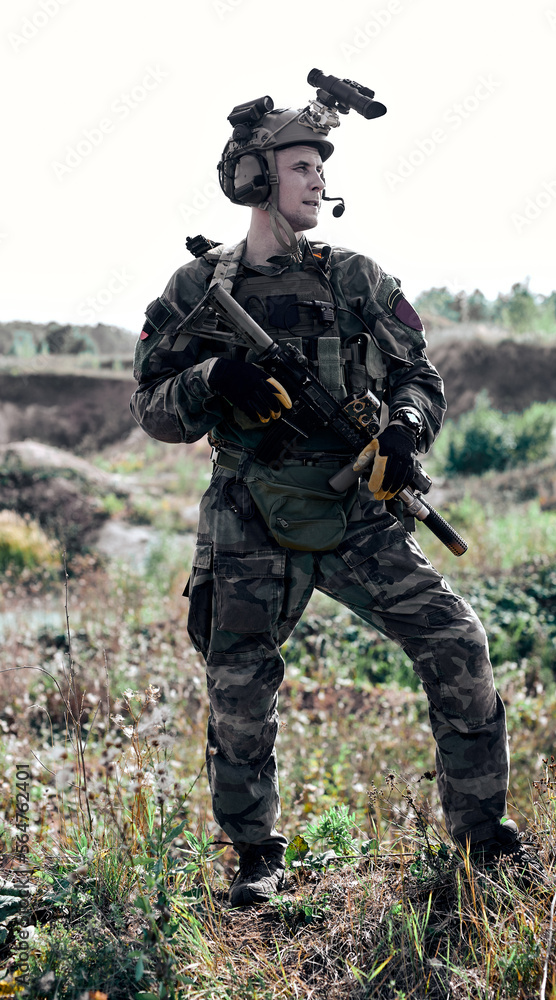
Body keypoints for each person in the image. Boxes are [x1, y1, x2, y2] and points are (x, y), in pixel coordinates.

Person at [130, 89, 523, 908]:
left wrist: (404, 430)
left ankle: (482, 840)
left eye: (319, 168)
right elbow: (154, 410)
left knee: (456, 642)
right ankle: (255, 856)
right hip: (248, 508)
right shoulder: (195, 288)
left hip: (355, 511)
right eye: (301, 166)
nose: (317, 180)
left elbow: (418, 374)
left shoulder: (355, 277)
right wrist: (215, 377)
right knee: (239, 683)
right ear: (254, 177)